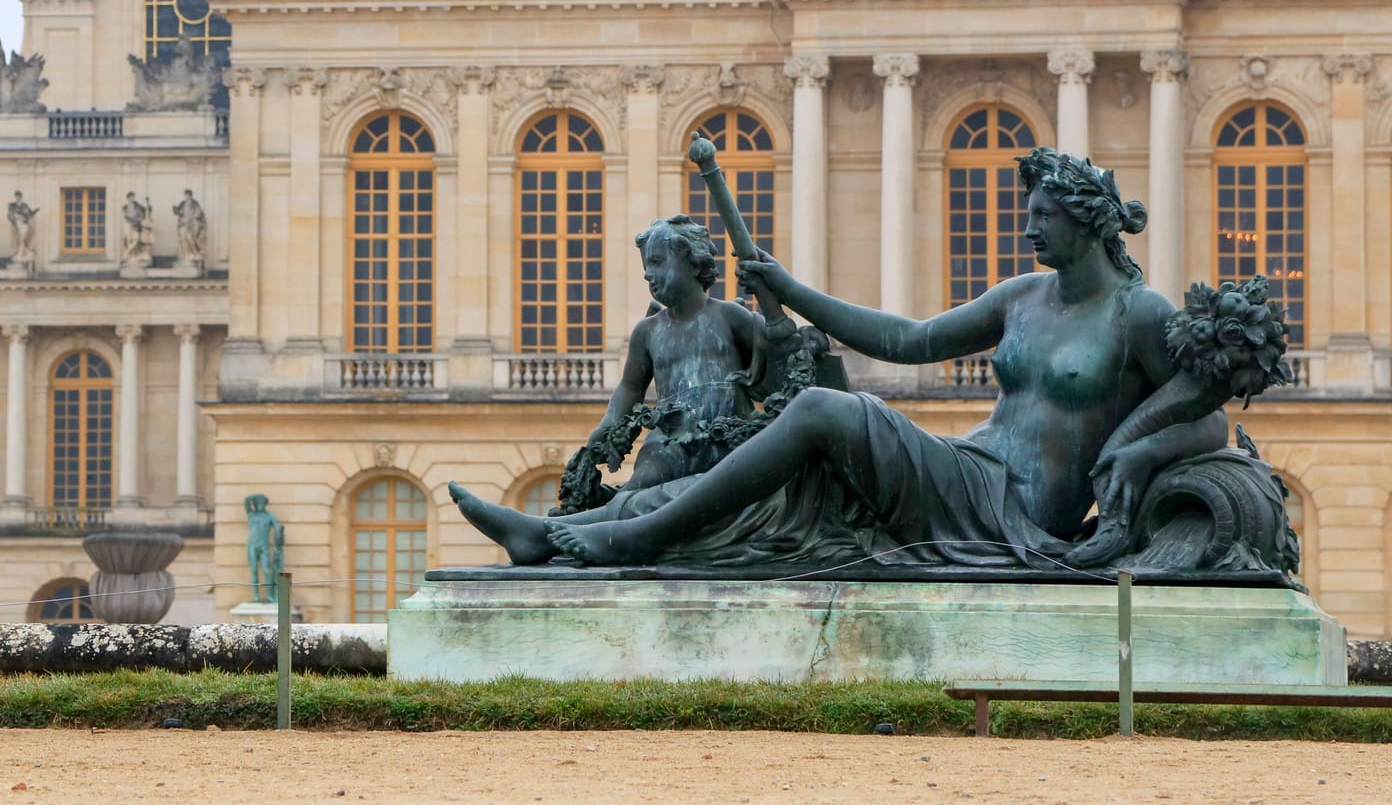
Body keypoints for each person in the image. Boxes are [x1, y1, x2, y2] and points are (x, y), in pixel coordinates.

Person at [451, 148, 1227, 571]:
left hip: (1013, 515)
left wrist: (1142, 448)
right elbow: (907, 340)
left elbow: (1207, 416)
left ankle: (630, 541)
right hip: (970, 471)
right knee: (776, 496)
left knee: (821, 410)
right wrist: (793, 290)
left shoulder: (1140, 314)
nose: (1029, 232)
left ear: (1087, 224)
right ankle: (564, 532)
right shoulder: (1024, 296)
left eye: (1042, 219)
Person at [451, 214, 771, 560]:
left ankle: (543, 534)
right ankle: (566, 533)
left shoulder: (729, 317)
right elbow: (630, 390)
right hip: (671, 438)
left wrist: (772, 322)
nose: (649, 274)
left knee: (650, 496)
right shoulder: (648, 331)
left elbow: (773, 371)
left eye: (658, 263)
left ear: (694, 263)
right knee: (637, 488)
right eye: (646, 267)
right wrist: (604, 430)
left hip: (727, 436)